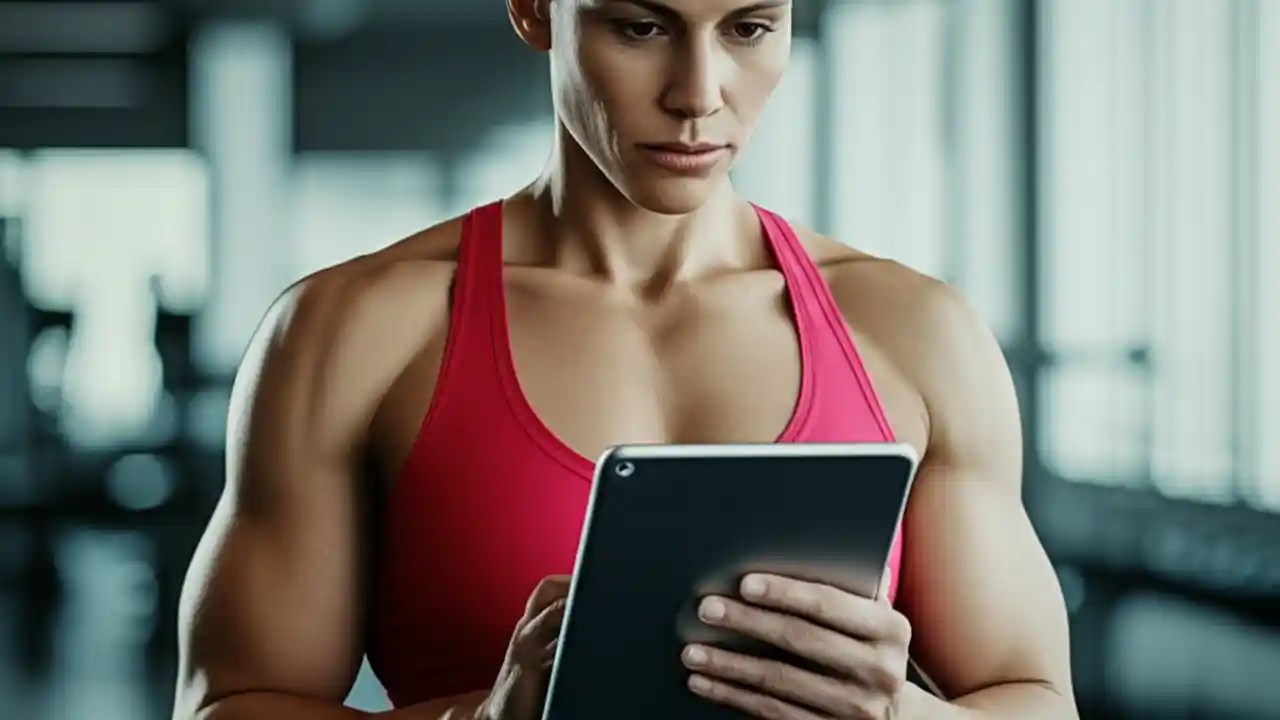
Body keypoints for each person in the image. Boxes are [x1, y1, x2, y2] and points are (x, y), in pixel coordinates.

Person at [173, 1, 1078, 719]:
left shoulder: (917, 333)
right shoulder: (354, 330)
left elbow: (1035, 699)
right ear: (535, 10)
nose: (699, 92)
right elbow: (227, 706)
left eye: (749, 27)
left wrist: (896, 715)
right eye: (641, 27)